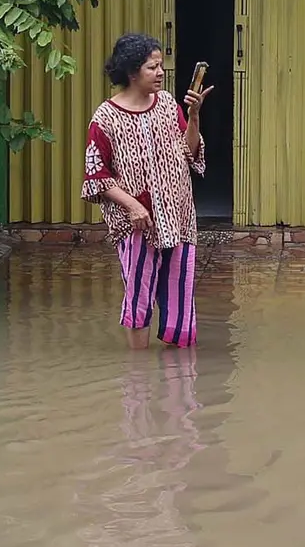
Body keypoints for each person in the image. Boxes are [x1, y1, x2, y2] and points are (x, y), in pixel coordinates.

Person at [80, 33, 212, 348]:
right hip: (137, 223)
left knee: (180, 294)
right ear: (131, 72)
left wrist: (194, 116)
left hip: (178, 217)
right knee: (139, 295)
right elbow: (96, 175)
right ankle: (137, 375)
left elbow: (190, 152)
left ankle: (178, 382)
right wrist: (132, 206)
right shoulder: (105, 118)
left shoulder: (167, 104)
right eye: (152, 67)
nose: (161, 72)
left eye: (160, 66)